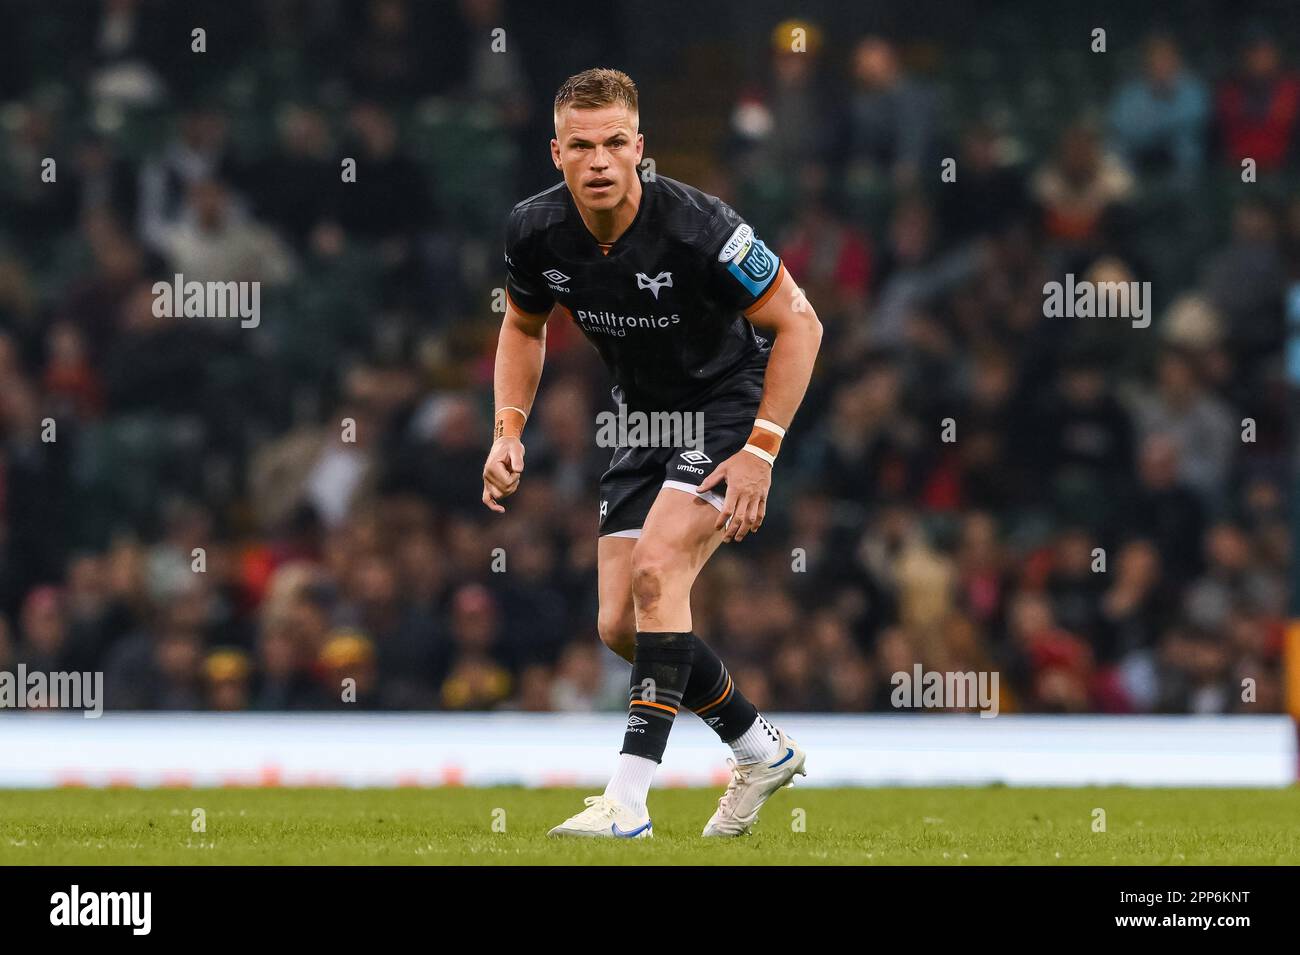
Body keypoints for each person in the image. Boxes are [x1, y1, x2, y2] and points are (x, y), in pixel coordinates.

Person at [482, 68, 822, 838]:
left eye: (613, 144)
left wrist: (761, 451)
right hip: (642, 420)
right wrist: (508, 428)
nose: (599, 161)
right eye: (580, 146)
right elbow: (524, 327)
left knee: (656, 570)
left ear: (640, 147)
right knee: (619, 625)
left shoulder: (701, 227)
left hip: (727, 403)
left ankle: (626, 802)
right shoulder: (534, 232)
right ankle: (758, 747)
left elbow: (801, 324)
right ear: (556, 153)